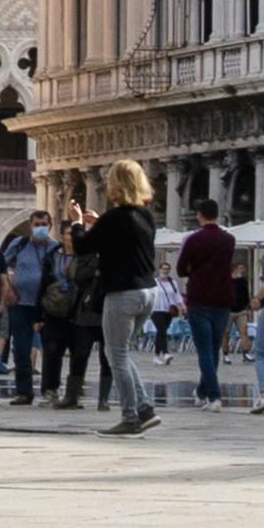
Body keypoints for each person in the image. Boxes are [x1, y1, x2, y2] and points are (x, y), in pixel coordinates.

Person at [80, 164, 164, 432]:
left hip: (123, 292)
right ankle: (145, 409)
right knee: (120, 352)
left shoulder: (115, 217)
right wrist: (98, 224)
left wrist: (78, 223)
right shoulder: (145, 215)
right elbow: (122, 240)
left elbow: (82, 247)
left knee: (115, 354)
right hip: (148, 291)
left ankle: (130, 419)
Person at [174, 202, 243, 406]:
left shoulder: (193, 239)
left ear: (199, 215)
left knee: (204, 350)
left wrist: (194, 272)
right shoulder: (228, 239)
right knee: (214, 349)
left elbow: (180, 269)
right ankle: (202, 392)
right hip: (222, 298)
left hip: (199, 298)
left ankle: (214, 395)